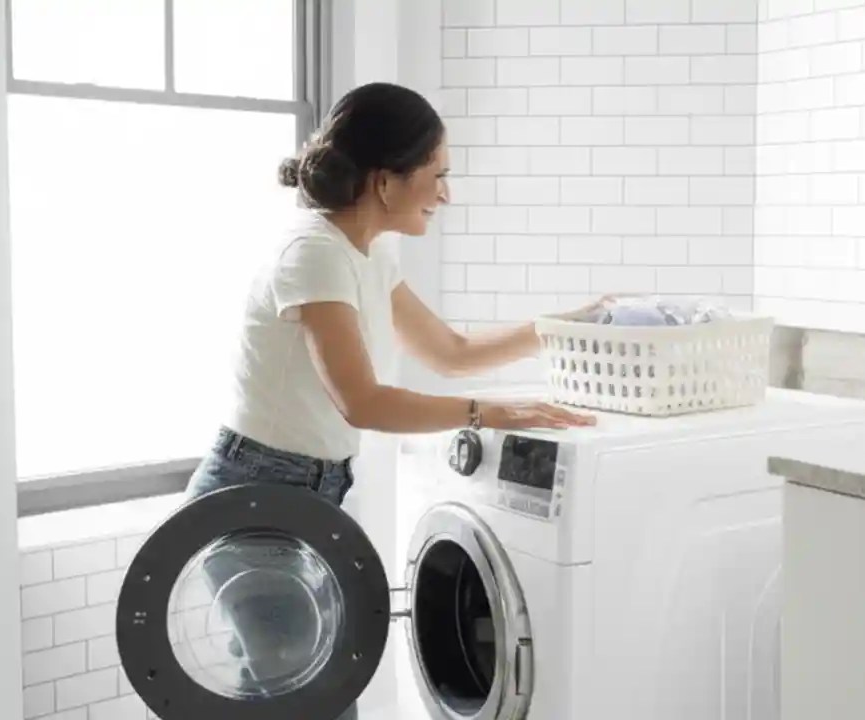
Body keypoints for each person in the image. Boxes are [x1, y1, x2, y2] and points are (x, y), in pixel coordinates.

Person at [181, 81, 599, 717]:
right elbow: (363, 403)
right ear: (386, 182)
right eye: (438, 174)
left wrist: (568, 326)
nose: (446, 193)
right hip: (255, 497)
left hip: (311, 496)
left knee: (294, 699)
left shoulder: (368, 253)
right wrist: (491, 413)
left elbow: (450, 352)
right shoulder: (313, 253)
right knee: (307, 703)